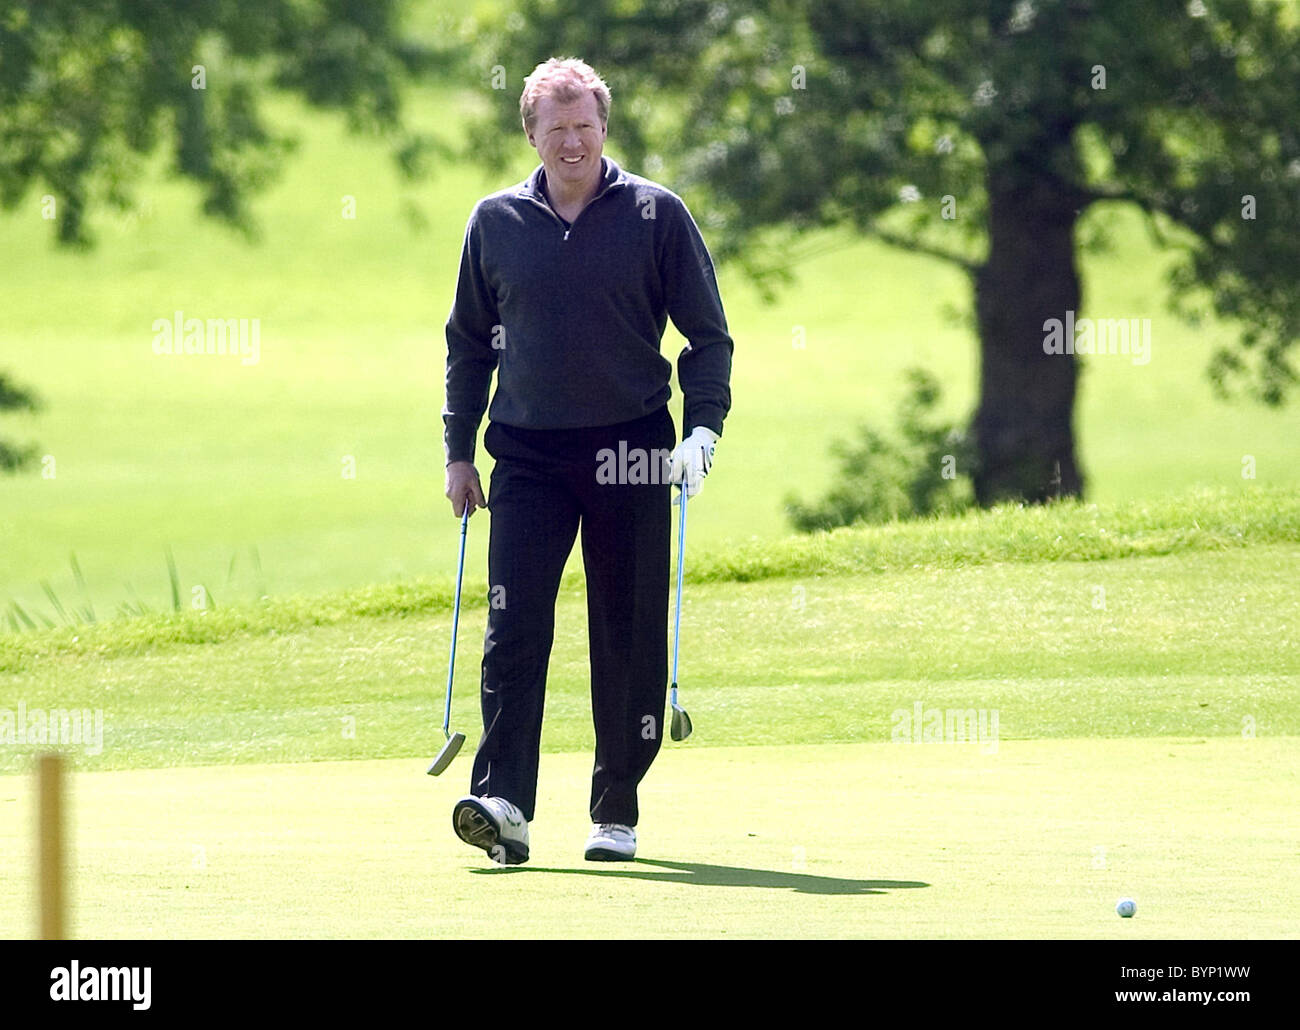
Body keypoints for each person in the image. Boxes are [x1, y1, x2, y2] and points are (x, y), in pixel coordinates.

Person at [442, 57, 733, 865]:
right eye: (555, 129)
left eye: (585, 126)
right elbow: (467, 345)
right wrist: (457, 453)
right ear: (531, 135)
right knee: (513, 627)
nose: (572, 141)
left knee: (628, 631)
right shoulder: (494, 221)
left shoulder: (655, 214)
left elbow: (708, 337)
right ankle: (503, 803)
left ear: (605, 127)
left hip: (633, 446)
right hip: (528, 454)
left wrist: (702, 431)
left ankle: (616, 808)